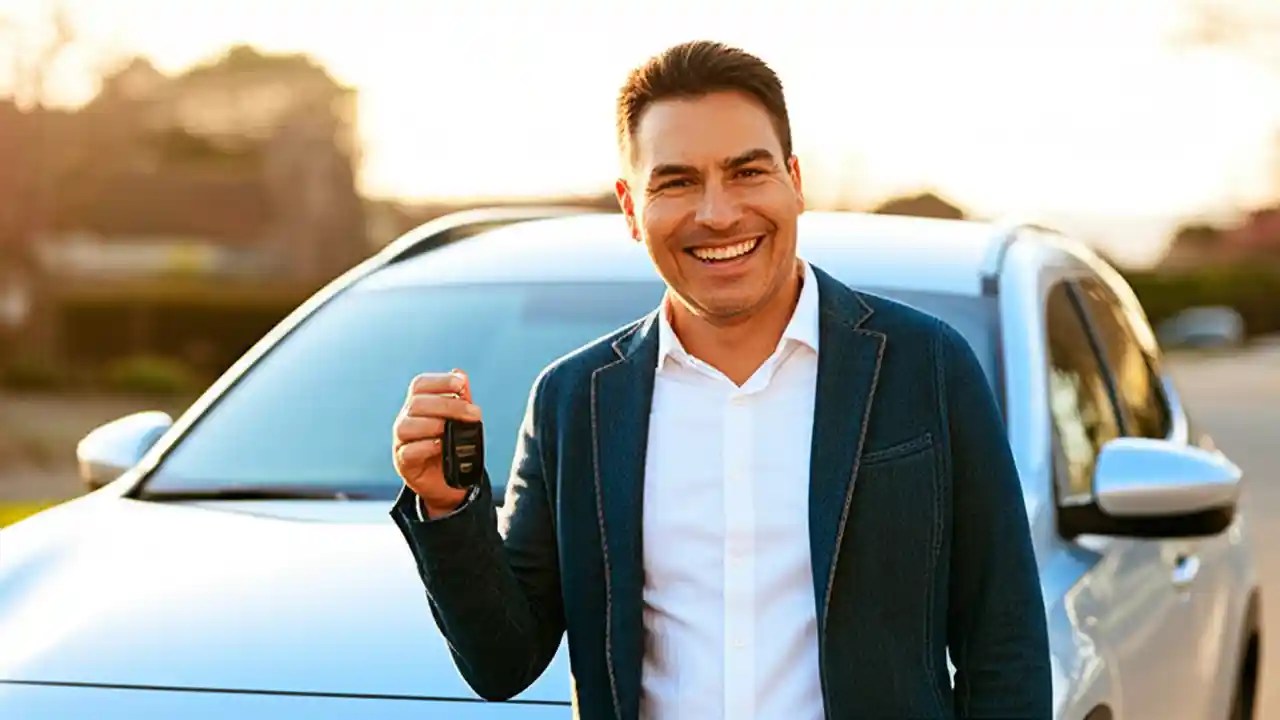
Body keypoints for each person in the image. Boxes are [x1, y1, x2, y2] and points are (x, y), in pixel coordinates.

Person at [389, 40, 1052, 719]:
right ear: (629, 207)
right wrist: (447, 507)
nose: (718, 213)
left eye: (747, 172)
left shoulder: (929, 367)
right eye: (676, 182)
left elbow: (1005, 648)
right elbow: (503, 661)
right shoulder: (574, 401)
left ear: (794, 180)